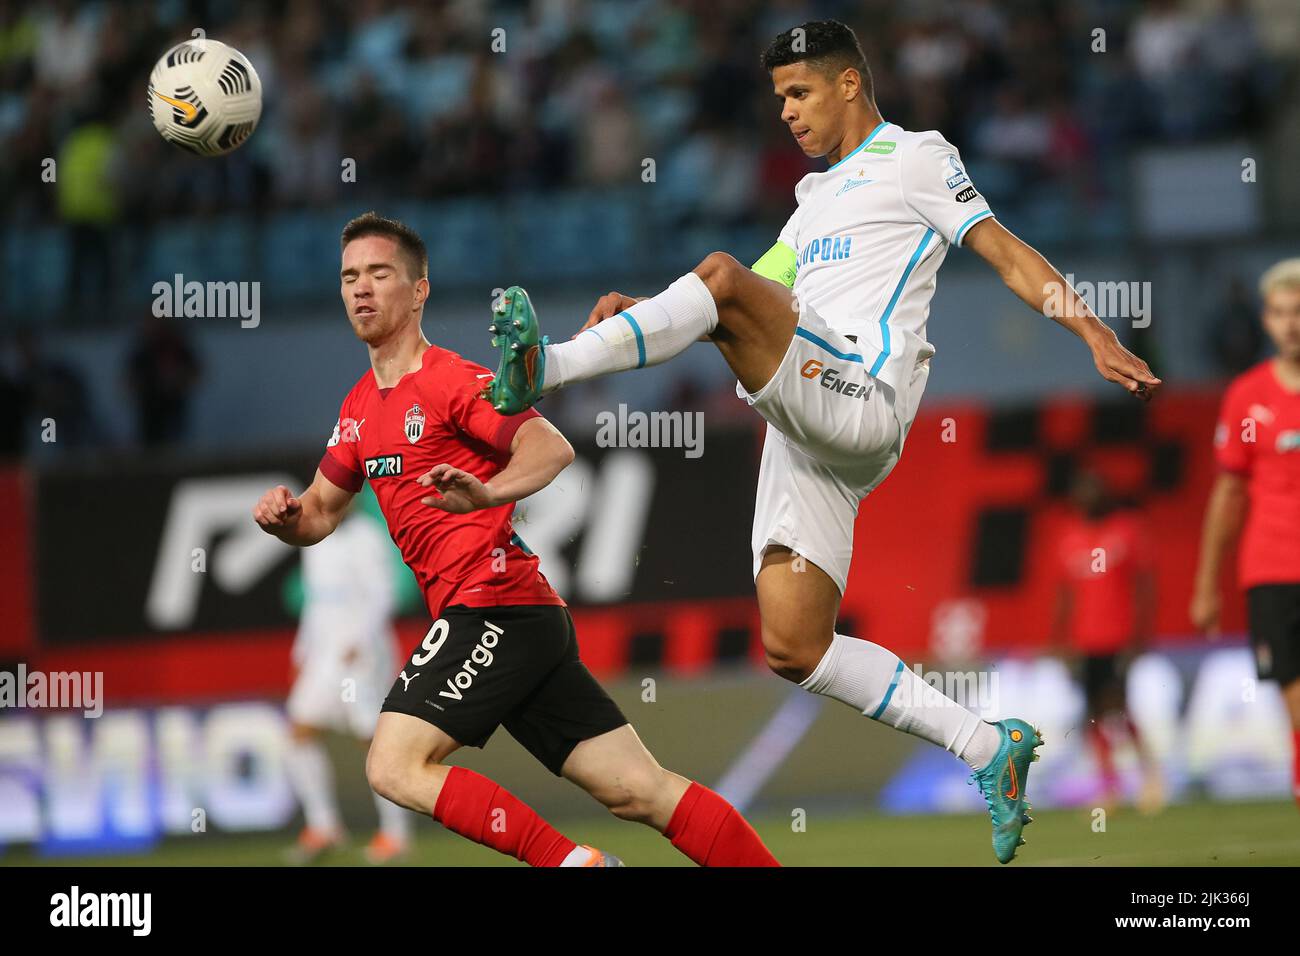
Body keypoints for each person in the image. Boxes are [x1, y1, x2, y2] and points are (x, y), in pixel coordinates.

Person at [484, 20, 1160, 863]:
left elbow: (1005, 251)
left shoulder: (916, 156)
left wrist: (1089, 329)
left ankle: (541, 368)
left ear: (848, 84)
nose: (788, 115)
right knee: (792, 645)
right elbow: (739, 306)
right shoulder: (810, 206)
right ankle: (990, 747)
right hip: (805, 429)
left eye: (799, 93)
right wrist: (645, 316)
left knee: (720, 275)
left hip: (862, 398)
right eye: (778, 100)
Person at [253, 212, 778, 867]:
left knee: (392, 764)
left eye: (379, 274)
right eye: (350, 276)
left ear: (418, 292)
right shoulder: (358, 408)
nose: (361, 289)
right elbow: (320, 513)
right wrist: (286, 518)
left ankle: (572, 864)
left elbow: (548, 445)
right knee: (639, 792)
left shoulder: (451, 381)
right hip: (521, 618)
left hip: (492, 604)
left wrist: (489, 492)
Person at [1192, 257, 1300, 808]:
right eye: (1281, 313)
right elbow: (1228, 495)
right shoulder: (1246, 397)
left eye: (1298, 312)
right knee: (1295, 702)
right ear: (1265, 319)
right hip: (1273, 569)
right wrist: (1207, 584)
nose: (1291, 325)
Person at [283, 490, 413, 865]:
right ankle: (324, 826)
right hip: (323, 655)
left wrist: (360, 640)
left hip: (360, 653)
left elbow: (382, 595)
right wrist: (301, 652)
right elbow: (315, 603)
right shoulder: (313, 540)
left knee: (370, 740)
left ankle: (395, 833)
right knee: (299, 733)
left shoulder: (367, 537)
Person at [1049, 469, 1163, 813]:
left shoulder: (1126, 529)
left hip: (1118, 636)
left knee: (1118, 709)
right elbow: (1065, 594)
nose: (1087, 497)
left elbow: (1144, 584)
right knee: (1093, 716)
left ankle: (1150, 776)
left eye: (1094, 489)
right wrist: (1061, 641)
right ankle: (1110, 787)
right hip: (1085, 641)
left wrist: (1141, 636)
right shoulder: (1068, 536)